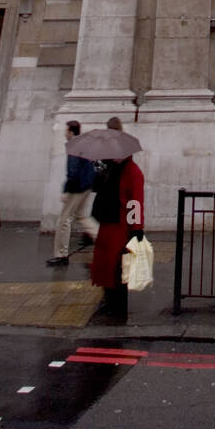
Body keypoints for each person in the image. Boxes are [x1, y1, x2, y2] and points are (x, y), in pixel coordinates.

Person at [89, 120, 144, 320]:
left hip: (121, 226)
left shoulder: (132, 172)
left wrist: (136, 229)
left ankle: (118, 307)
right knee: (104, 266)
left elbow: (135, 202)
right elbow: (98, 190)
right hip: (107, 222)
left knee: (117, 268)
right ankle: (108, 301)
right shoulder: (110, 169)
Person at [47, 121, 98, 267]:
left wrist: (66, 190)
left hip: (77, 188)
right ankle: (104, 241)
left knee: (64, 220)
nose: (64, 133)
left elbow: (73, 171)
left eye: (66, 131)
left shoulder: (73, 145)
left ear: (71, 132)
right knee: (82, 216)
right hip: (87, 185)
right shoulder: (84, 143)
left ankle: (61, 255)